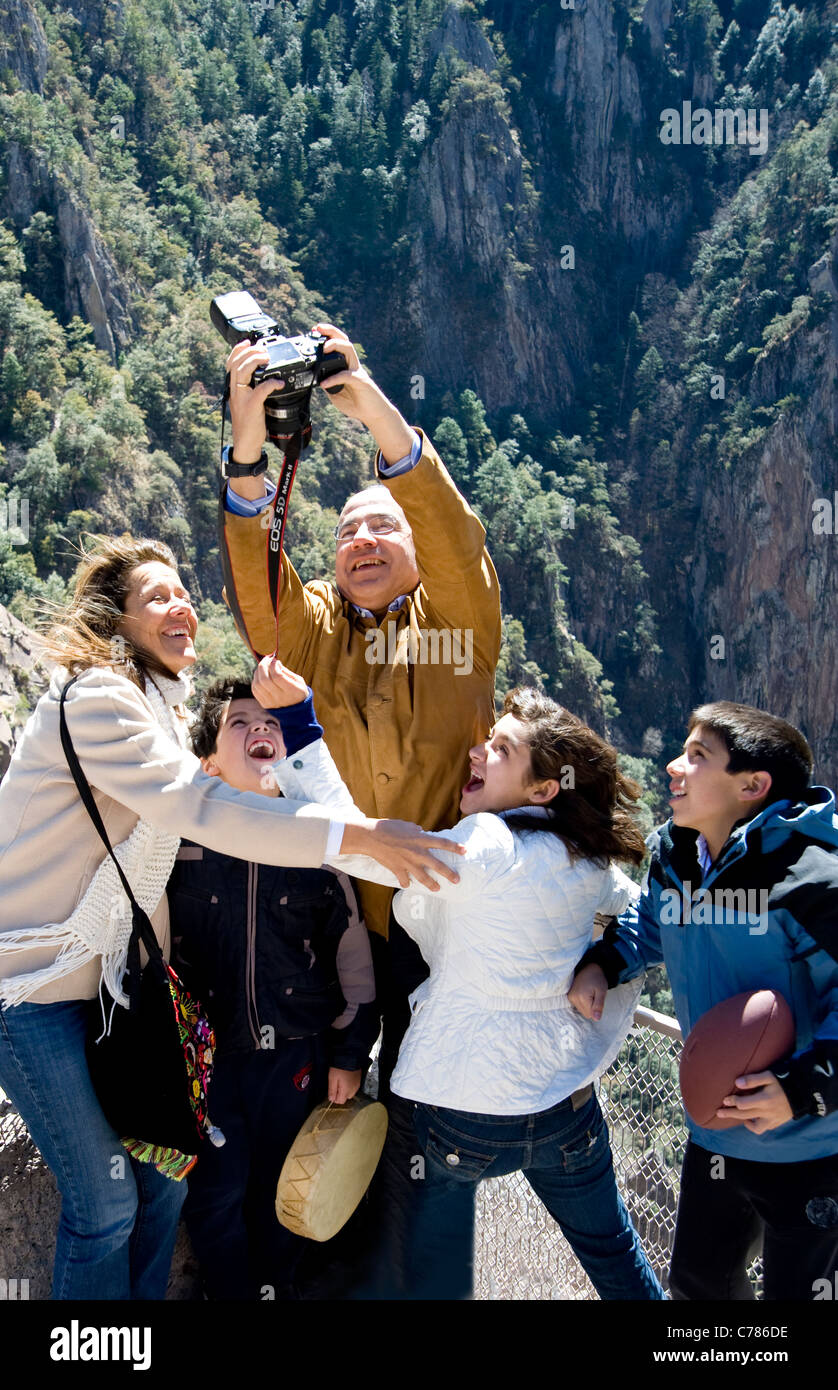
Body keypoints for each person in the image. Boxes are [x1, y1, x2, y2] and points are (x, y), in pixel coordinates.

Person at [0, 536, 462, 1301]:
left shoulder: (154, 710)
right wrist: (355, 837)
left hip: (105, 999)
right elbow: (200, 808)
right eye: (156, 596)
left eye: (182, 591)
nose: (180, 604)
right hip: (33, 992)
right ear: (114, 620)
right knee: (107, 1203)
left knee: (167, 1186)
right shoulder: (98, 700)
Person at [250, 656, 666, 1301]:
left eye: (500, 748)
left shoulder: (490, 847)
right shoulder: (592, 860)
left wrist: (299, 724)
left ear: (542, 790)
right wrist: (605, 963)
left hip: (463, 1114)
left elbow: (364, 845)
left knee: (436, 1273)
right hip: (565, 1109)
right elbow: (649, 909)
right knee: (615, 1257)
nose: (477, 750)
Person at [220, 323, 502, 1091]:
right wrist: (249, 452)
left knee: (434, 1102)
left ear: (414, 550)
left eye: (384, 525)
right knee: (329, 1098)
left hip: (442, 917)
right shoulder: (314, 628)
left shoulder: (458, 625)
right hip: (331, 913)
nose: (363, 541)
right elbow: (258, 593)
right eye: (348, 531)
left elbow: (455, 544)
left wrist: (366, 404)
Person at [569, 701, 838, 1302]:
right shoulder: (678, 853)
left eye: (698, 756)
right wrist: (606, 962)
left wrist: (801, 1092)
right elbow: (652, 920)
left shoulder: (811, 876)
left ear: (751, 785)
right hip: (715, 1135)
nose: (673, 766)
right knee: (697, 1290)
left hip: (812, 1145)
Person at [169, 677, 379, 1300]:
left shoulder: (314, 842)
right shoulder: (178, 845)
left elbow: (354, 960)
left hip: (295, 1056)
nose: (260, 729)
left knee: (283, 1188)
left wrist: (348, 1056)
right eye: (239, 723)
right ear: (207, 762)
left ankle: (275, 1289)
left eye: (271, 723)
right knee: (215, 1193)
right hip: (206, 1061)